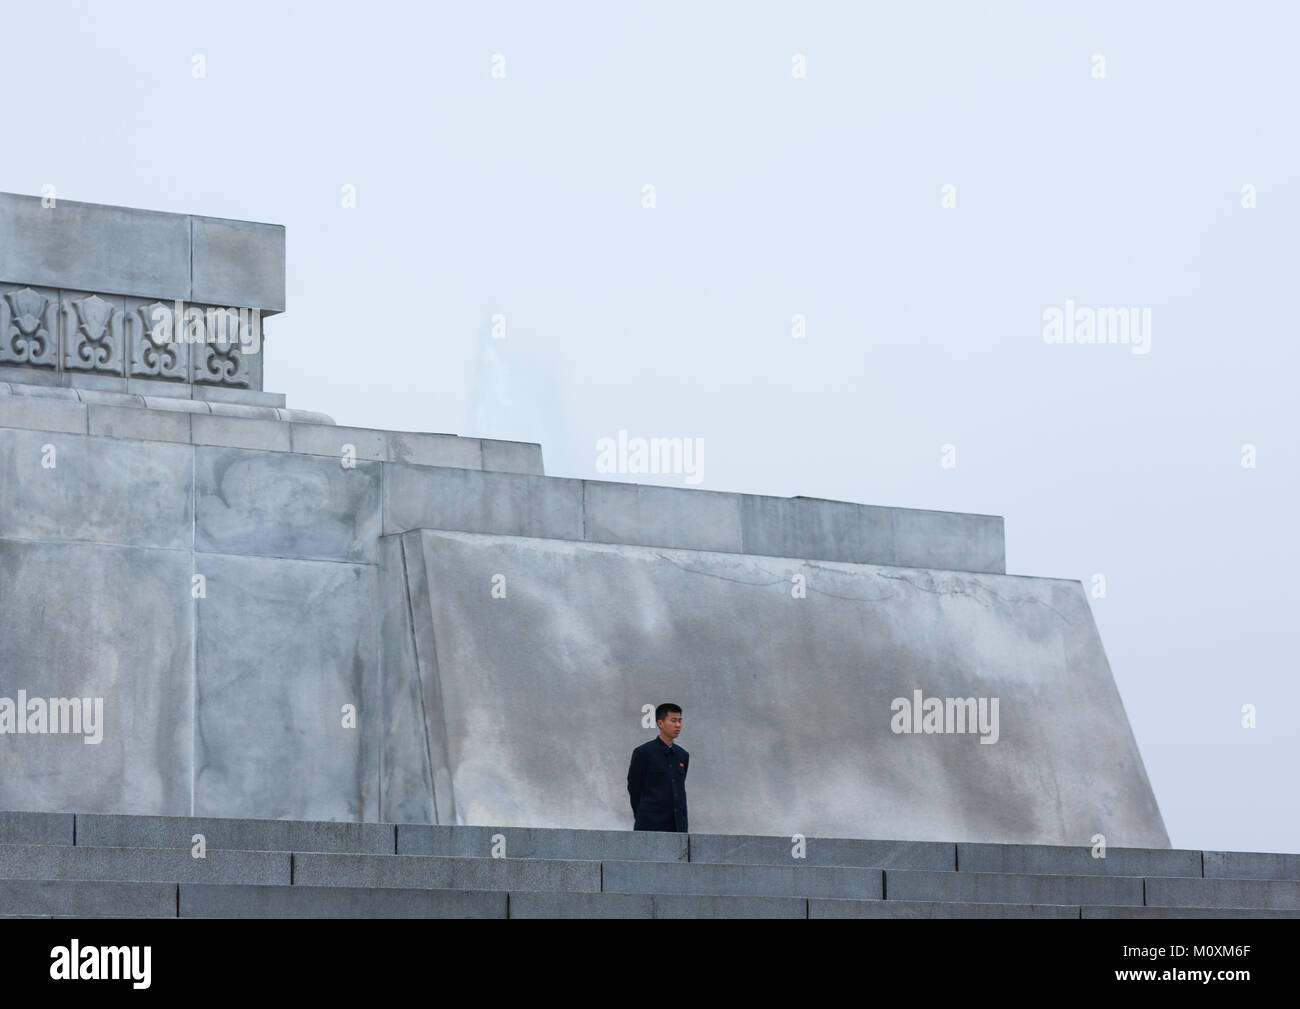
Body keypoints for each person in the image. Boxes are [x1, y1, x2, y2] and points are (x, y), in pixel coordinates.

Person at [626, 703, 689, 832]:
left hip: (677, 826)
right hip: (650, 824)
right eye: (673, 720)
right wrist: (642, 816)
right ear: (660, 723)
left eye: (680, 721)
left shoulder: (682, 755)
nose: (678, 725)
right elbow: (634, 788)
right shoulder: (644, 752)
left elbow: (679, 788)